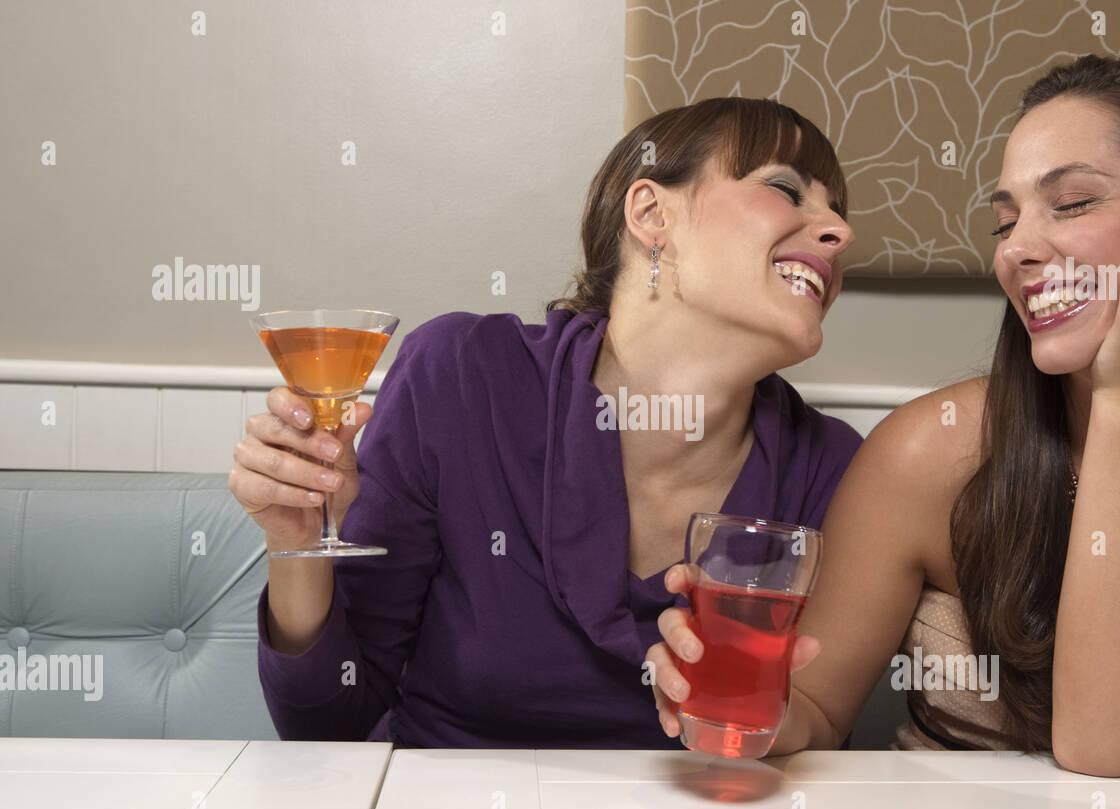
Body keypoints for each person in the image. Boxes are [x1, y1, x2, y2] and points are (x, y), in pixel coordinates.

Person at [649, 55, 1120, 777]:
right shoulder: (930, 452)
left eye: (1074, 202)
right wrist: (744, 704)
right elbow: (818, 712)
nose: (1017, 248)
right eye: (1006, 221)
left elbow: (1108, 739)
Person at [228, 98, 862, 748]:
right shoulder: (461, 379)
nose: (839, 232)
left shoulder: (835, 469)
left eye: (838, 211)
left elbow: (817, 721)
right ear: (652, 215)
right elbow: (327, 724)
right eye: (786, 189)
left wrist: (761, 719)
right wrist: (296, 537)